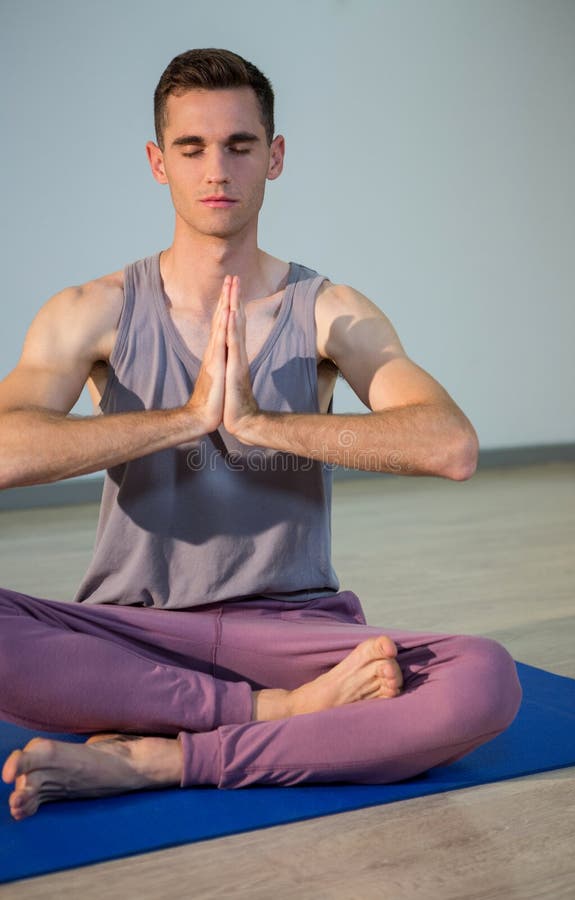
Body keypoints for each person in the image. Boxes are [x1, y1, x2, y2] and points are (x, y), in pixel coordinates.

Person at [0, 48, 522, 821]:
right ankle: (275, 717)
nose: (218, 168)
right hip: (135, 635)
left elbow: (452, 445)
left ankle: (167, 757)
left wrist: (258, 422)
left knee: (486, 679)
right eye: (192, 147)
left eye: (241, 145)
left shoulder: (328, 310)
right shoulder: (93, 310)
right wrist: (187, 418)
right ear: (157, 162)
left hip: (291, 627)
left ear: (273, 157)